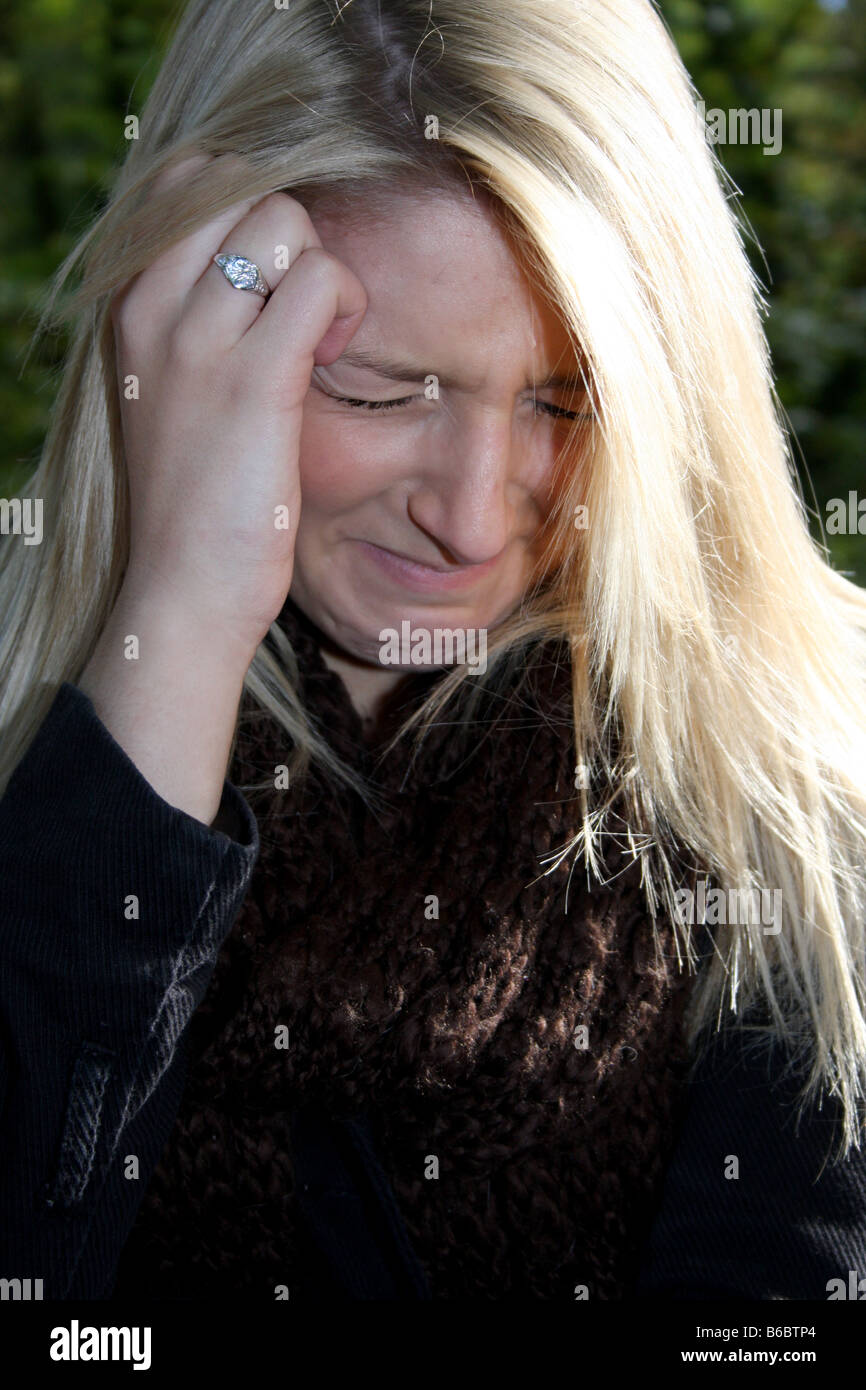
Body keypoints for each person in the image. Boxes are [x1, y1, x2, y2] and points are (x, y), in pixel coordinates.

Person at [1, 0, 865, 1302]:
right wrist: (174, 615)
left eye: (564, 398)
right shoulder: (34, 736)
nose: (468, 511)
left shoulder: (805, 811)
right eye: (379, 388)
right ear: (180, 323)